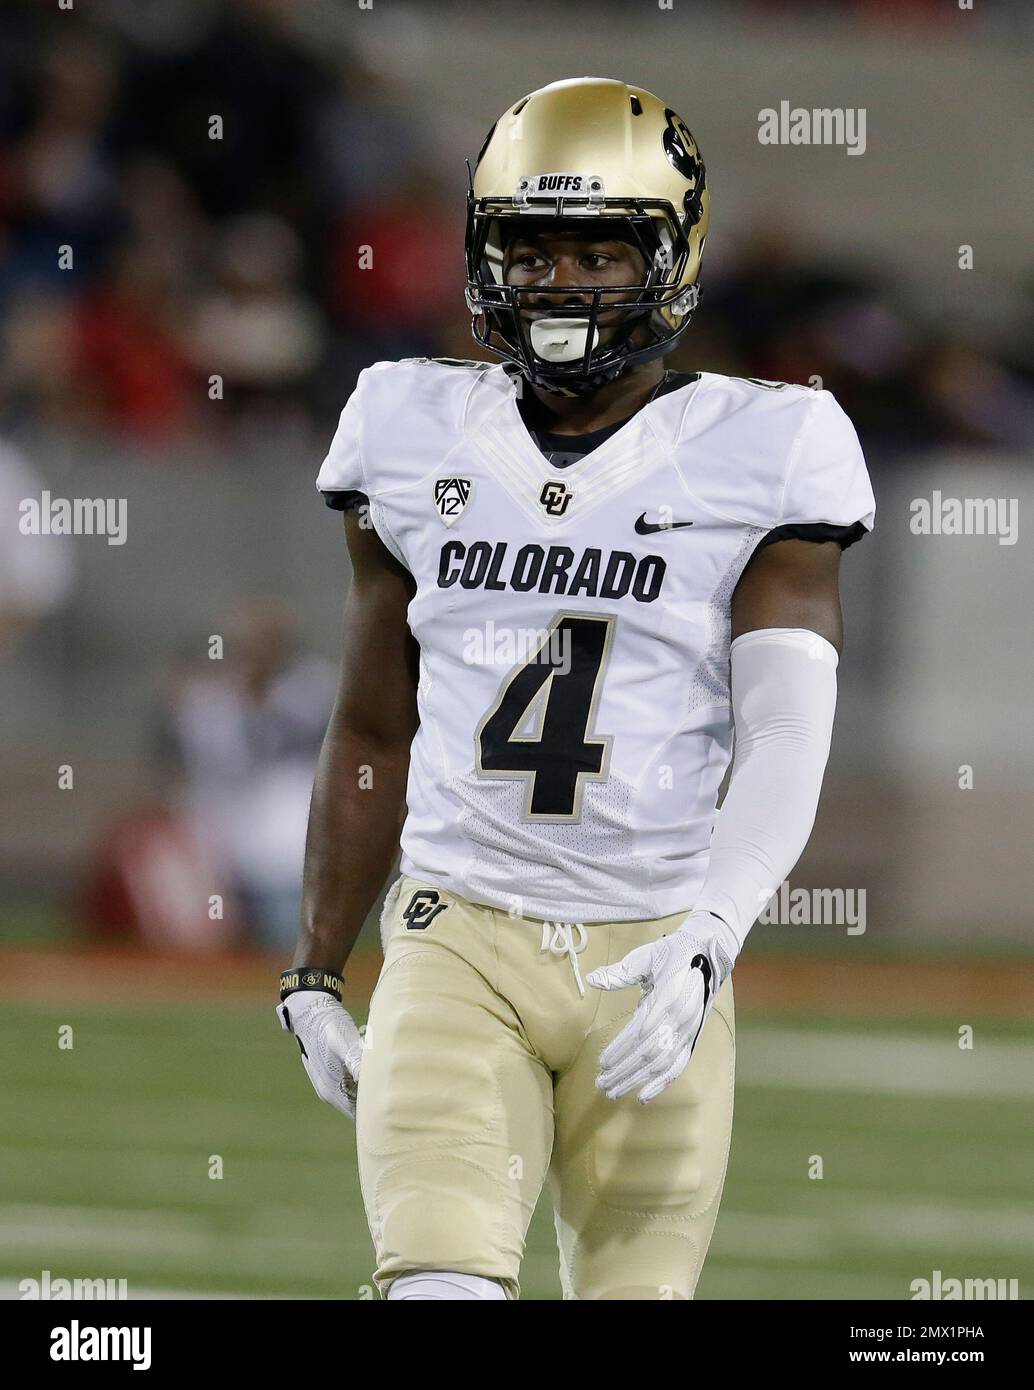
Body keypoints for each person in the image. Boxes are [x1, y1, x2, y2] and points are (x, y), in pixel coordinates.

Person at [278, 77, 875, 1301]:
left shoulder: (769, 447)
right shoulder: (408, 423)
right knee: (436, 1285)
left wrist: (711, 934)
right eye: (530, 249)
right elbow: (372, 722)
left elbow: (779, 728)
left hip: (655, 947)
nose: (559, 284)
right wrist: (315, 966)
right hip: (460, 934)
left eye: (600, 251)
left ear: (669, 254)